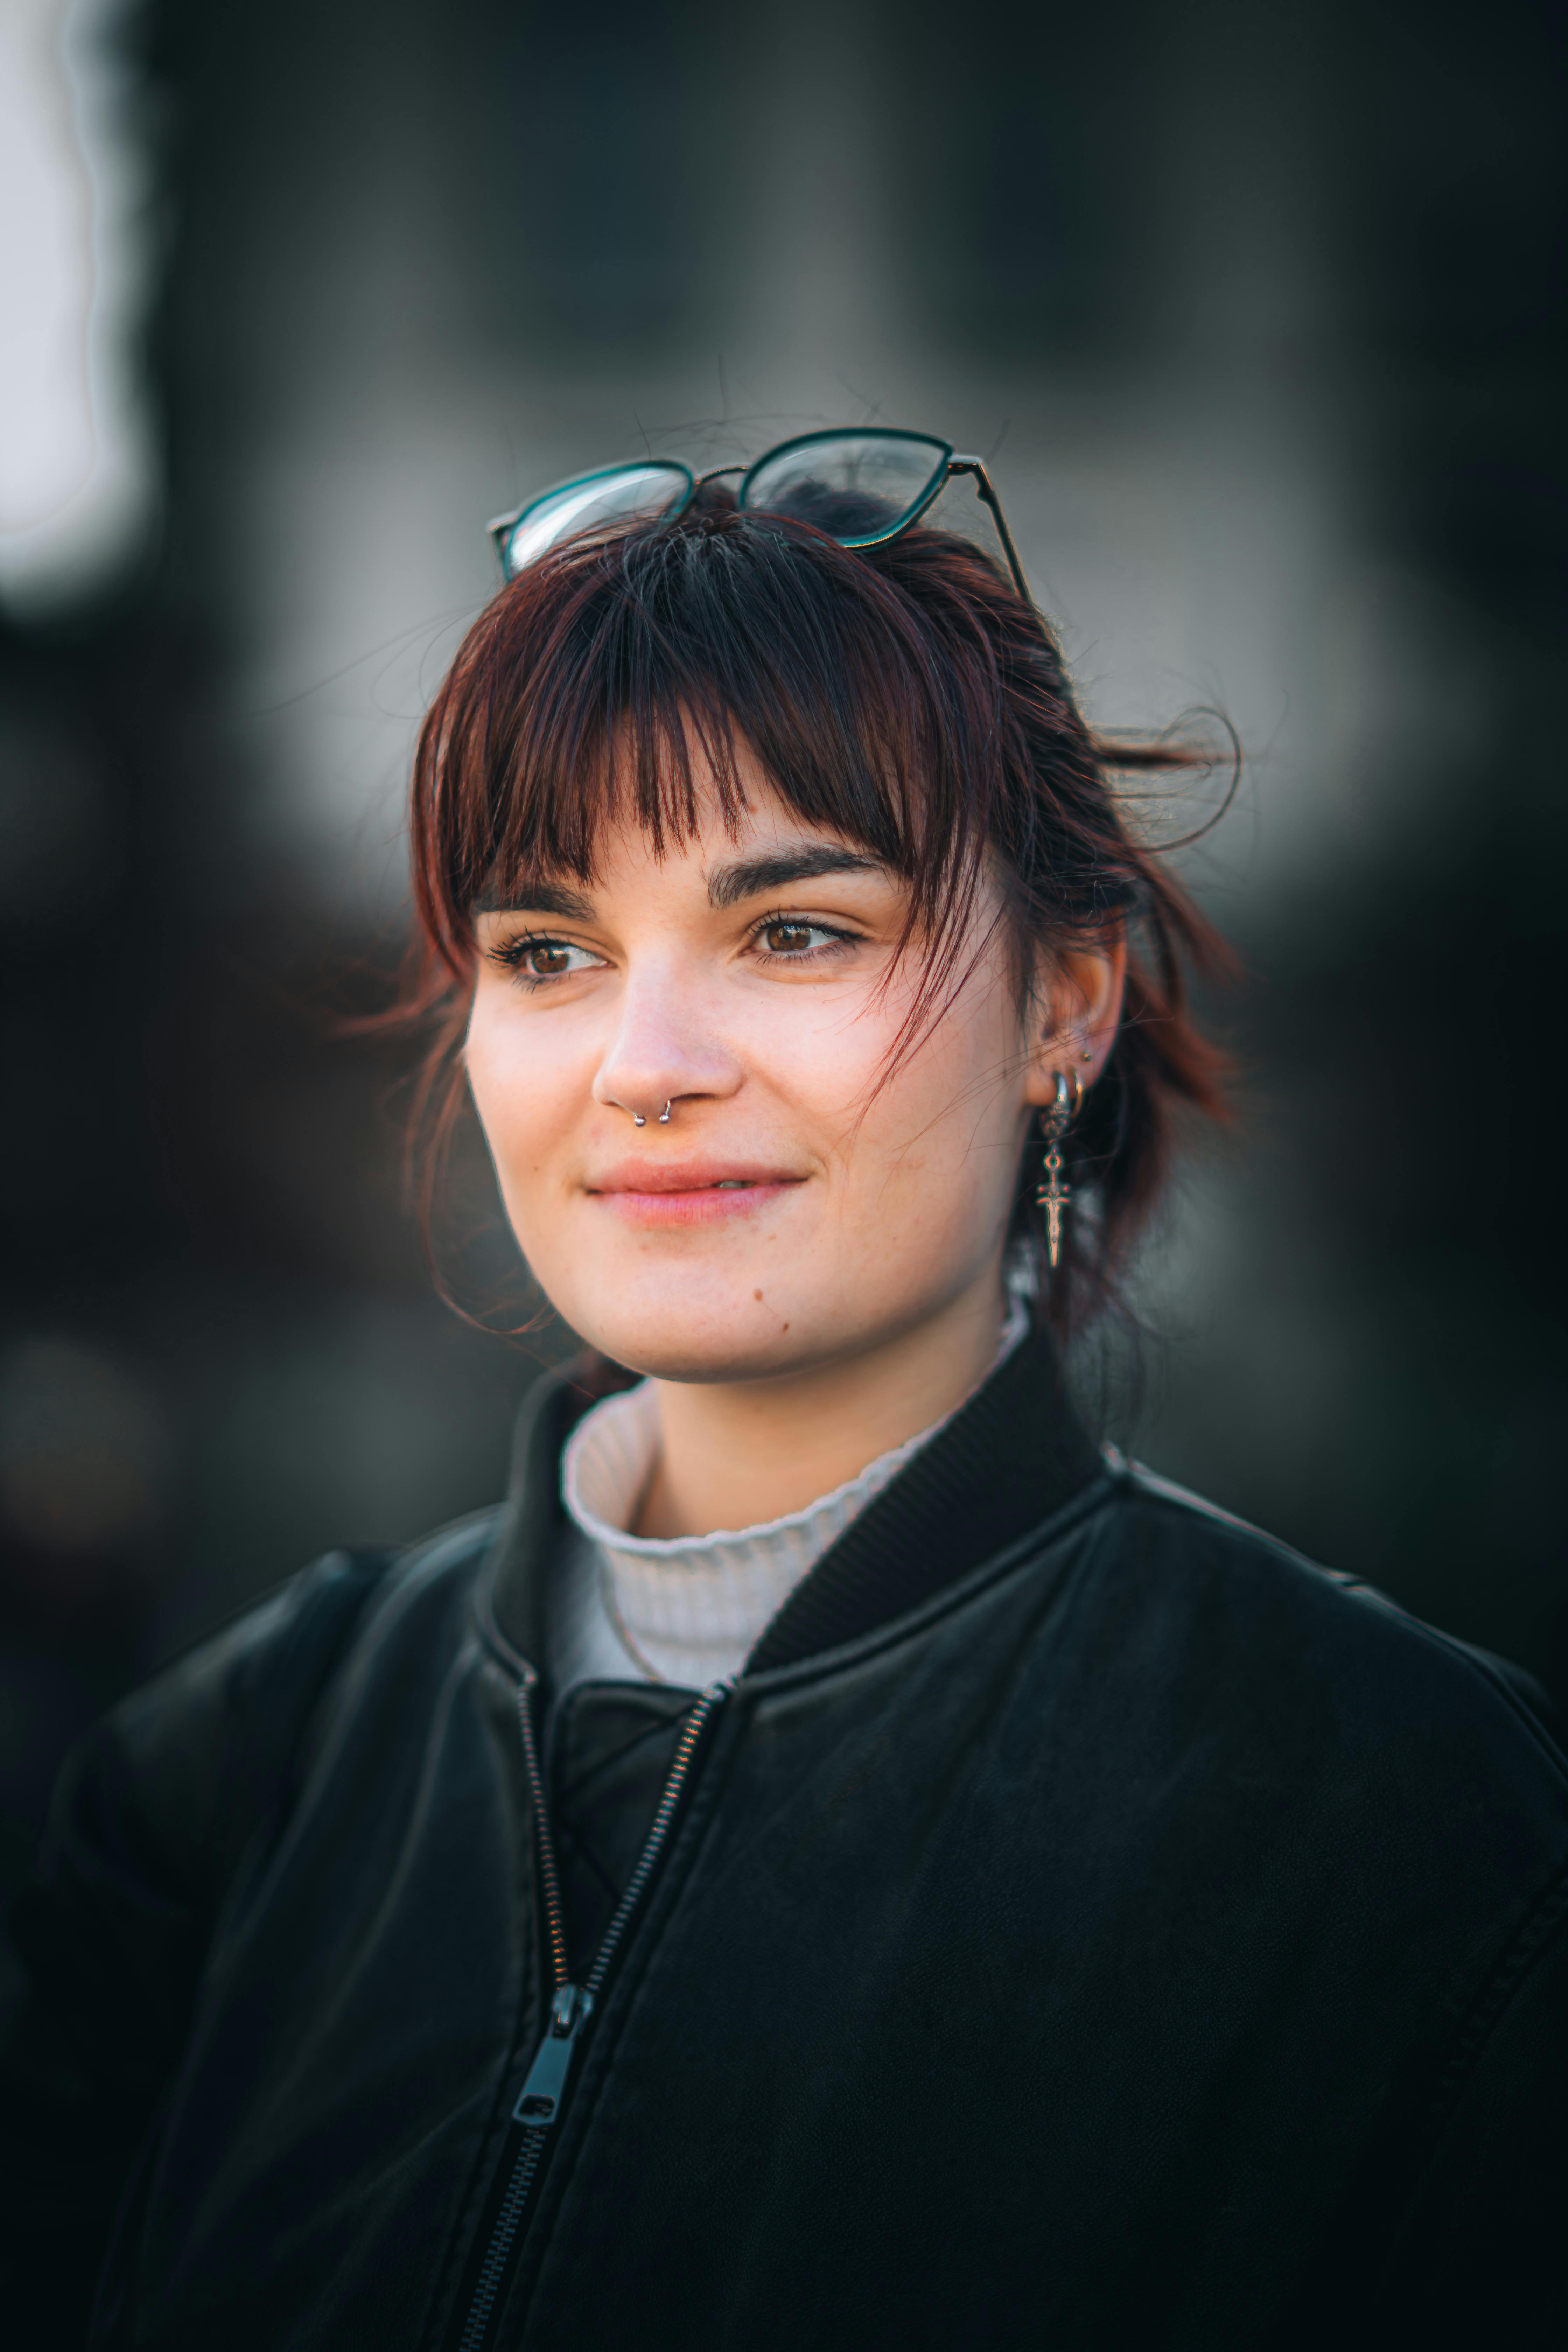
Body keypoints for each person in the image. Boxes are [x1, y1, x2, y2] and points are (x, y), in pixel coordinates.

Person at [3, 432, 1565, 2352]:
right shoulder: (233, 1777)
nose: (643, 1064)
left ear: (1066, 1007)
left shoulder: (1414, 1844)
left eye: (796, 930)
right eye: (552, 950)